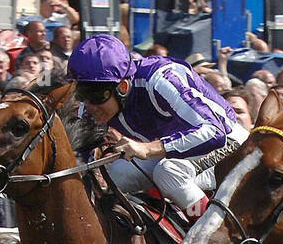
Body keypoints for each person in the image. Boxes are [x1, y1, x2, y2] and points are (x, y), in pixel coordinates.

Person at [65, 34, 247, 219]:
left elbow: (215, 132)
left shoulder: (160, 79)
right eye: (82, 94)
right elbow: (78, 160)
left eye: (96, 96)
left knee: (168, 173)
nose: (89, 106)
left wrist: (148, 148)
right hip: (175, 153)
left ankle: (213, 236)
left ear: (123, 87)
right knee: (114, 175)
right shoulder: (92, 105)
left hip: (228, 144)